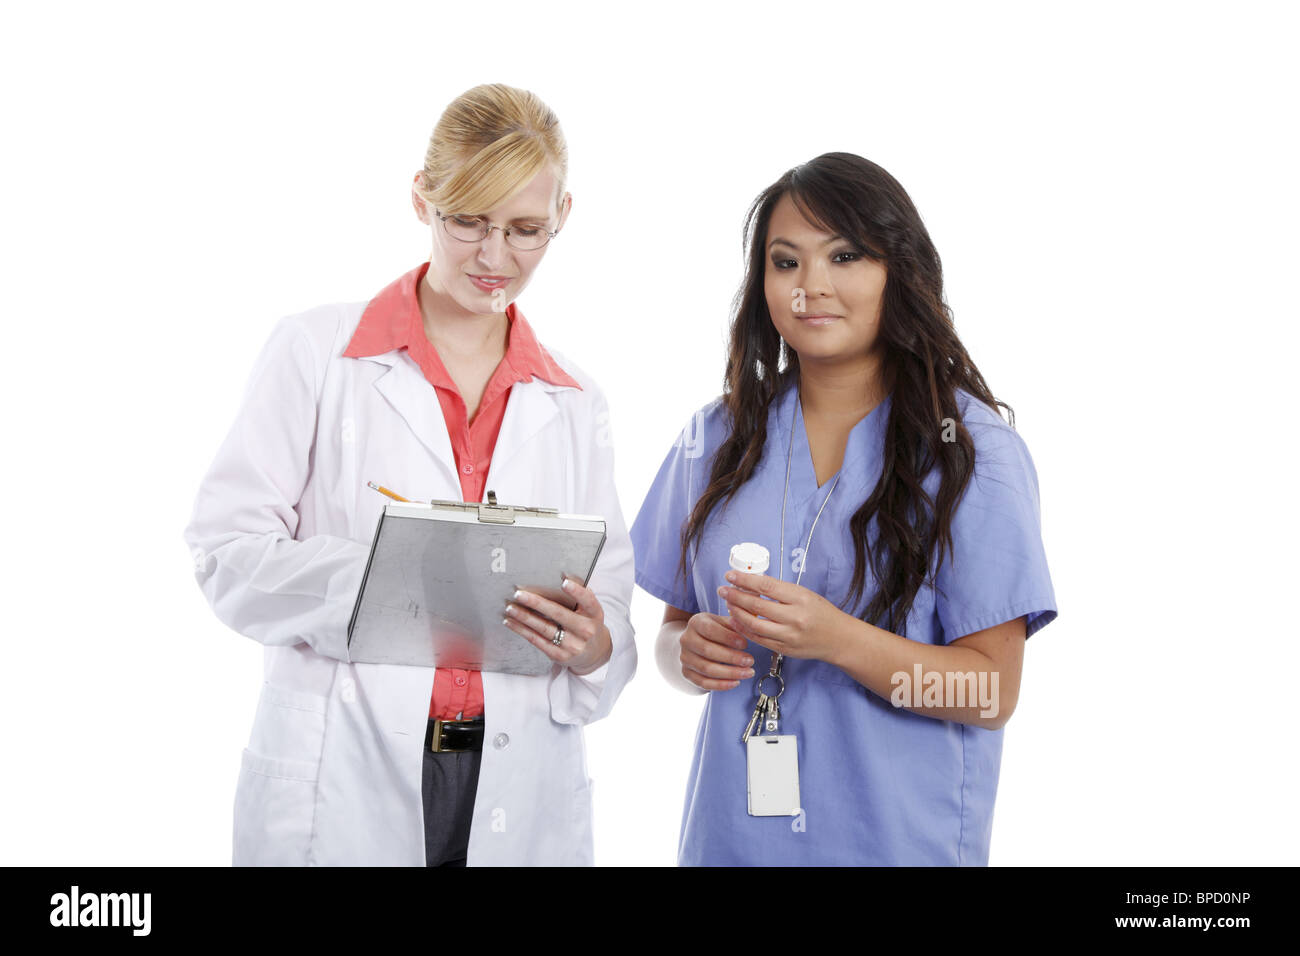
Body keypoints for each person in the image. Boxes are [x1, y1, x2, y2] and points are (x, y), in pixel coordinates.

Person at [183, 84, 636, 866]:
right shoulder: (316, 353)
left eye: (526, 229)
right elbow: (224, 550)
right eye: (468, 222)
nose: (495, 258)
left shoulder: (574, 399)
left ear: (564, 216)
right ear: (421, 197)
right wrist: (387, 580)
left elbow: (616, 603)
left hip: (515, 774)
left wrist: (596, 643)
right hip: (344, 764)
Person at [630, 152, 1057, 866]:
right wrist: (687, 652)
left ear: (900, 271)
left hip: (894, 843)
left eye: (846, 255)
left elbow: (990, 691)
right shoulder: (716, 437)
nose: (811, 287)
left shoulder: (970, 450)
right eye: (785, 262)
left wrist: (837, 640)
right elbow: (671, 636)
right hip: (730, 842)